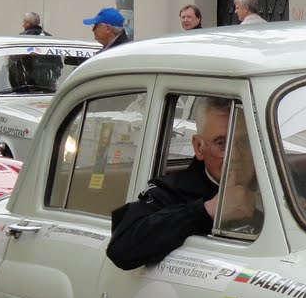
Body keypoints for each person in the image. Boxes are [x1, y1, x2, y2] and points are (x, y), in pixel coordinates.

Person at [107, 98, 257, 269]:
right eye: (221, 144)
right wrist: (207, 210)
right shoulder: (170, 192)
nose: (235, 155)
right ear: (199, 147)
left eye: (244, 142)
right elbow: (121, 248)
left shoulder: (275, 186)